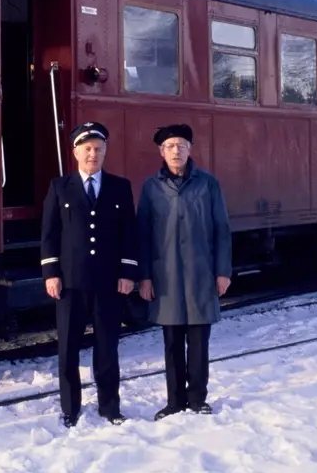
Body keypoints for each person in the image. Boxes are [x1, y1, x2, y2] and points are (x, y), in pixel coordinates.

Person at [40, 121, 139, 428]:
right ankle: (70, 408)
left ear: (105, 152)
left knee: (107, 347)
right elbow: (49, 235)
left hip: (109, 283)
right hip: (70, 283)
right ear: (75, 152)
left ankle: (110, 407)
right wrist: (51, 273)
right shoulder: (60, 187)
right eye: (87, 149)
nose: (92, 155)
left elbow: (129, 234)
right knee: (67, 348)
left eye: (98, 149)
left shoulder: (120, 187)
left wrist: (127, 272)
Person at [137, 123, 232, 420]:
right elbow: (143, 234)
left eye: (180, 145)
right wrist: (145, 276)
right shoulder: (151, 188)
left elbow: (222, 230)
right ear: (161, 152)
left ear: (190, 149)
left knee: (199, 341)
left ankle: (197, 398)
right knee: (172, 342)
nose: (175, 151)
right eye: (169, 146)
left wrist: (223, 271)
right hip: (165, 277)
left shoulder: (208, 184)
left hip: (201, 273)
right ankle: (174, 400)